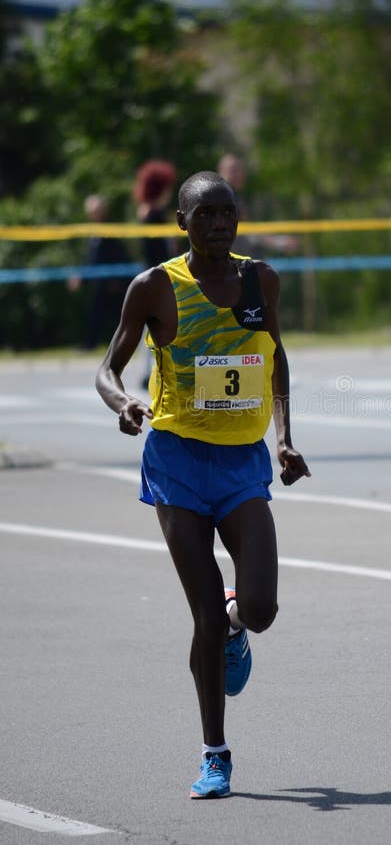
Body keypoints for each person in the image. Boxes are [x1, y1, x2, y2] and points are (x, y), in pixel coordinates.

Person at [96, 170, 310, 799]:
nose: (219, 223)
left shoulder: (259, 279)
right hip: (177, 464)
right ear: (181, 222)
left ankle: (238, 623)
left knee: (261, 610)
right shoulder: (155, 286)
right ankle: (215, 753)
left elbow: (275, 355)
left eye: (228, 213)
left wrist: (284, 438)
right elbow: (110, 366)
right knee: (203, 619)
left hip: (243, 461)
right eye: (205, 214)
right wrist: (123, 405)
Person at [132, 159, 178, 386]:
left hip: (152, 275)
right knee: (158, 325)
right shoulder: (154, 215)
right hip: (158, 277)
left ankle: (146, 371)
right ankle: (153, 371)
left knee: (149, 326)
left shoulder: (149, 212)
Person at [68, 195, 130, 350]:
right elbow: (91, 260)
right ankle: (90, 344)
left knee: (120, 315)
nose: (93, 214)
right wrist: (81, 277)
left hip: (111, 281)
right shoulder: (93, 232)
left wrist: (116, 280)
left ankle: (120, 343)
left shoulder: (109, 230)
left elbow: (118, 255)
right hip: (99, 281)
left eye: (96, 210)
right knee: (97, 313)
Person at [217, 153, 298, 259]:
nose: (240, 174)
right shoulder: (223, 197)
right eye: (234, 170)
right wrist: (278, 243)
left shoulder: (235, 197)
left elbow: (247, 228)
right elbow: (245, 234)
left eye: (240, 170)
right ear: (221, 172)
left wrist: (278, 241)